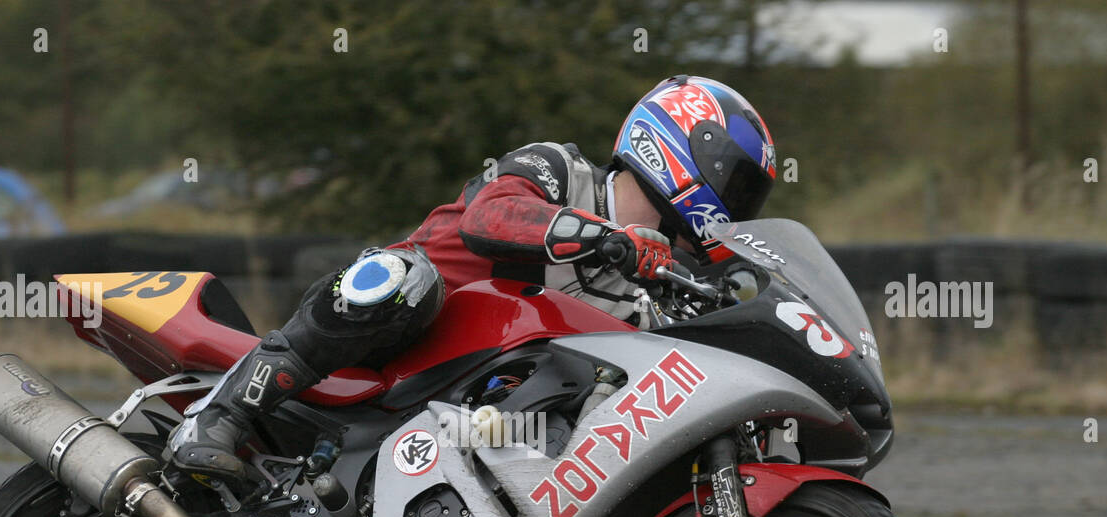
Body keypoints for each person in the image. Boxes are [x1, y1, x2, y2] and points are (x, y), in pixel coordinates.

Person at [166, 74, 777, 483]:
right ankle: (222, 413)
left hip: (469, 411)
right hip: (395, 346)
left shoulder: (656, 290)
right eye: (737, 183)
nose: (738, 205)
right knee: (401, 277)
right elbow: (493, 216)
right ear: (684, 148)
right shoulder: (559, 169)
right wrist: (608, 239)